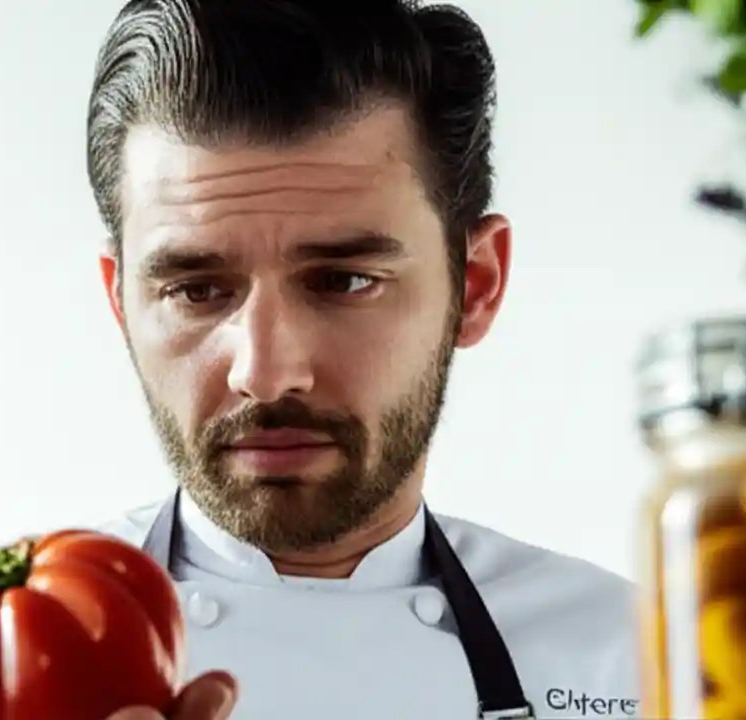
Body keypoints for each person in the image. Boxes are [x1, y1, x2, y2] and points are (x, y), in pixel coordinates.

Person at [83, 1, 641, 718]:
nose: (265, 370)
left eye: (344, 281)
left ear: (474, 286)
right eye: (195, 289)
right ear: (123, 305)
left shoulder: (648, 662)